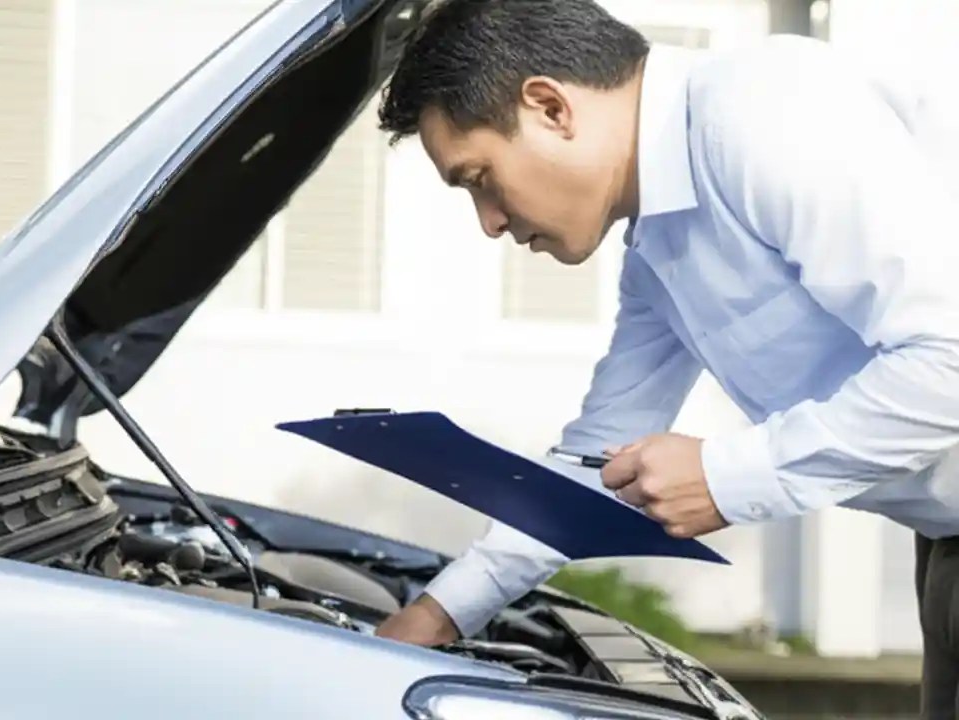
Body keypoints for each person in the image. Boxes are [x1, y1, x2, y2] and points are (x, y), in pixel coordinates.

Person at [370, 1, 959, 716]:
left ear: (550, 106)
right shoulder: (657, 246)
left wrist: (728, 475)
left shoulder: (766, 114)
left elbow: (949, 358)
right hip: (943, 542)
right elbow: (590, 463)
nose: (489, 222)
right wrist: (434, 618)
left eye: (479, 178)